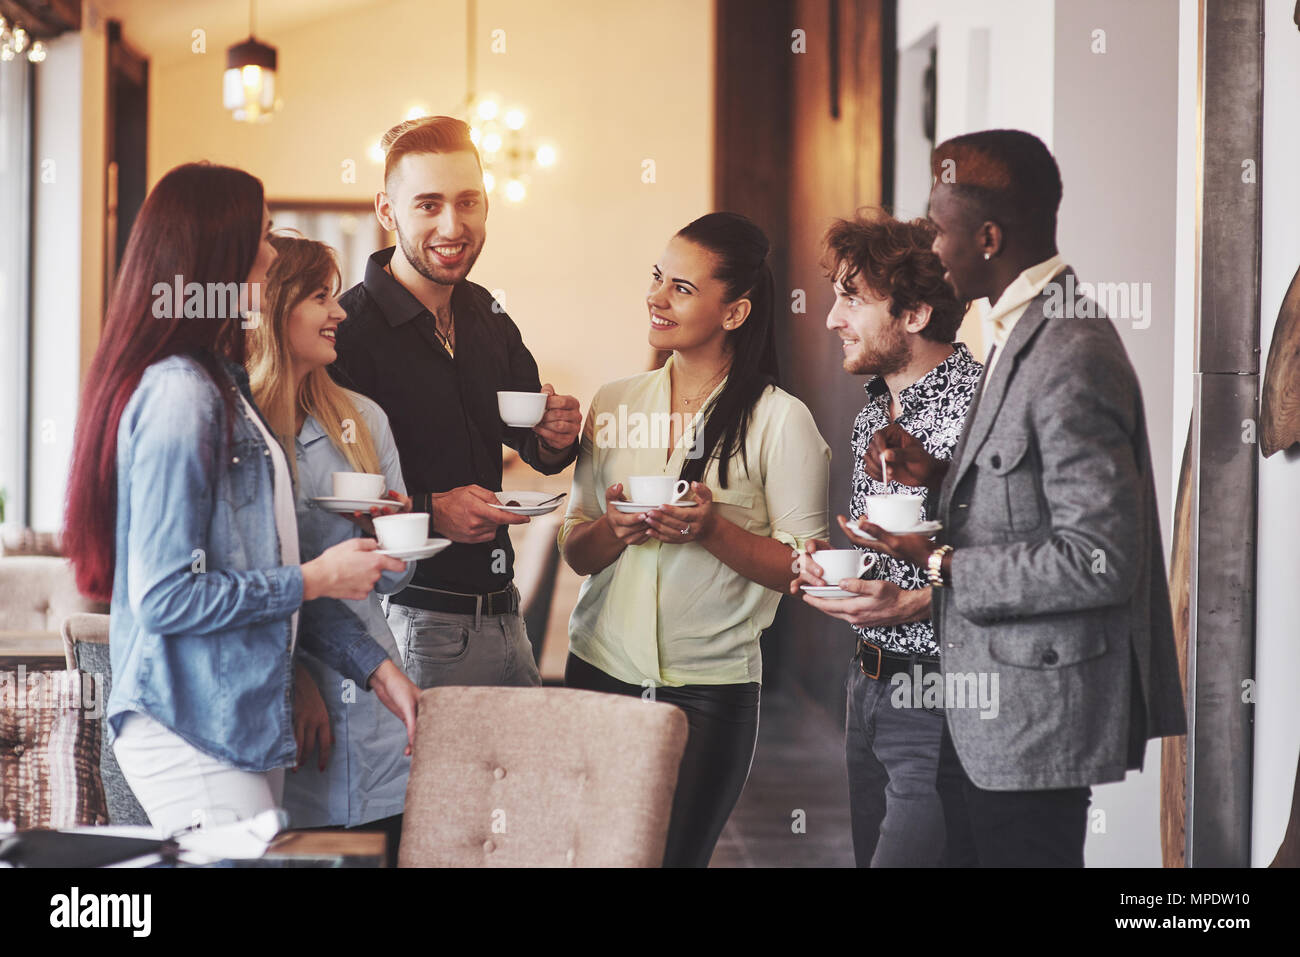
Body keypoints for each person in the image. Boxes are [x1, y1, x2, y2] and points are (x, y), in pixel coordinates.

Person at [858, 130, 1186, 866]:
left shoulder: (1071, 347)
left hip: (1035, 716)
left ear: (989, 236)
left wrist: (939, 562)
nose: (930, 248)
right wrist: (935, 473)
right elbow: (1028, 490)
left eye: (937, 228)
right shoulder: (1017, 328)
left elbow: (1099, 557)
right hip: (989, 708)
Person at [63, 163, 421, 836]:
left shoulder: (223, 391)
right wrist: (316, 577)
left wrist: (374, 668)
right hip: (191, 721)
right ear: (217, 257)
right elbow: (169, 595)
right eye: (257, 235)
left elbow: (270, 570)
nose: (267, 252)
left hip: (233, 718)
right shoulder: (181, 396)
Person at [559, 212, 830, 867]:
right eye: (657, 278)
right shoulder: (615, 401)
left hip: (709, 697)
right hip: (599, 674)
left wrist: (712, 529)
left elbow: (806, 569)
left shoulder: (781, 421)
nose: (656, 297)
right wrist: (614, 530)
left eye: (681, 287)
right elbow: (576, 548)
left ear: (734, 311)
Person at [329, 116, 582, 689]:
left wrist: (555, 435)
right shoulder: (346, 333)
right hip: (407, 623)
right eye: (428, 204)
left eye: (468, 202)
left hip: (503, 612)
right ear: (386, 211)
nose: (453, 225)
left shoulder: (483, 311)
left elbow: (535, 446)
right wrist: (430, 508)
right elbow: (320, 498)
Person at [791, 210, 981, 866]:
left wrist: (919, 600)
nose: (831, 319)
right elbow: (890, 551)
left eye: (851, 299)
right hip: (866, 685)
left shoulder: (980, 409)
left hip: (939, 694)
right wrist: (836, 565)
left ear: (915, 314)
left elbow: (1009, 558)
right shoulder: (876, 406)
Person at [248, 233, 416, 865]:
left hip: (374, 708)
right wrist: (295, 677)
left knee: (377, 848)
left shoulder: (363, 421)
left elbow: (390, 583)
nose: (340, 311)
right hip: (286, 703)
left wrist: (390, 540)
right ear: (275, 304)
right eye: (322, 296)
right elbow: (253, 578)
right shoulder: (243, 428)